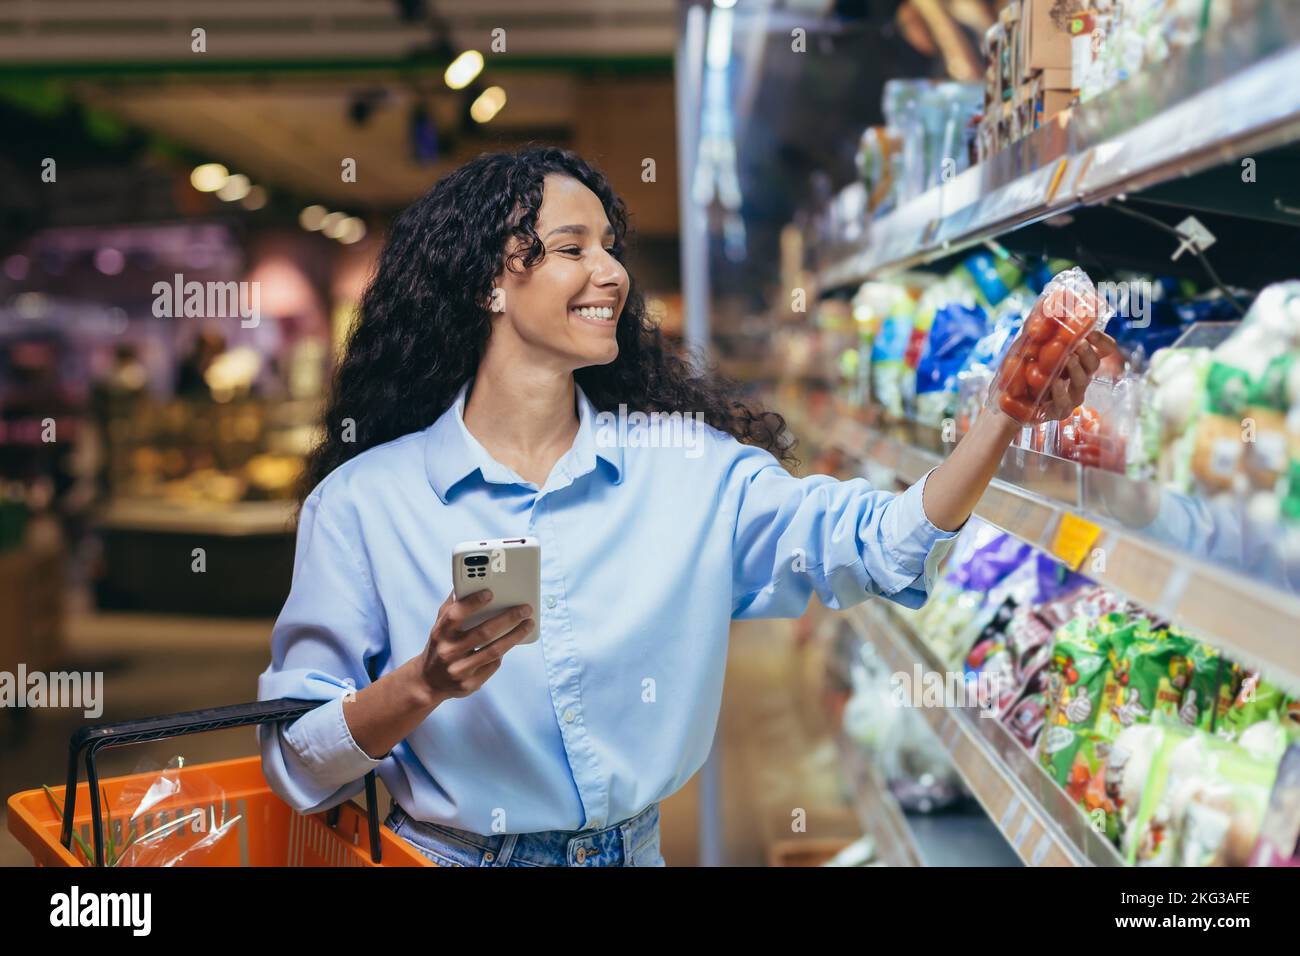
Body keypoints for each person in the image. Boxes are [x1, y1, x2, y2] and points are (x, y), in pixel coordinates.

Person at [257, 146, 1113, 867]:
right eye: (571, 247)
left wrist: (1005, 409)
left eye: (612, 245)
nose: (611, 272)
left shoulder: (688, 472)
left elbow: (880, 547)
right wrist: (423, 683)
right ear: (489, 284)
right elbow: (297, 760)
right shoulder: (365, 506)